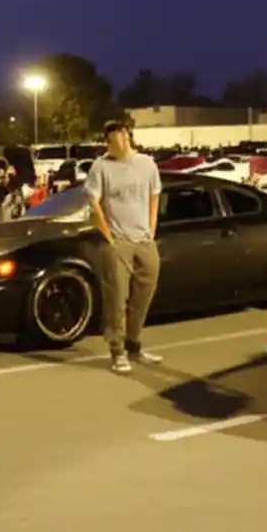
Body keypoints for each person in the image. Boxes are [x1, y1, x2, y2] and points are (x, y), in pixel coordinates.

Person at [85, 120, 163, 375]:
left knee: (144, 294)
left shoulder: (147, 164)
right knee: (117, 297)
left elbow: (154, 196)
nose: (123, 142)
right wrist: (108, 235)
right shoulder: (101, 166)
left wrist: (151, 230)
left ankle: (134, 344)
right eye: (117, 139)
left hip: (144, 240)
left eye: (125, 137)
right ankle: (117, 350)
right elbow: (93, 202)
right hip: (118, 241)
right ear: (108, 142)